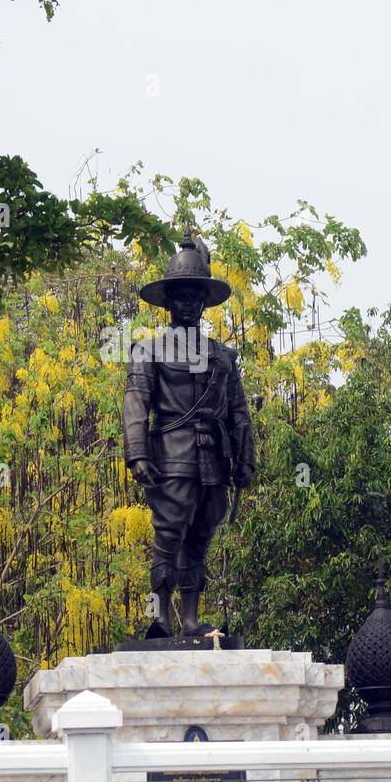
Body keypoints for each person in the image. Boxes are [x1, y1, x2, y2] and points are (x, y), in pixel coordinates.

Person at [122, 232, 256, 638]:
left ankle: (192, 620)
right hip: (171, 455)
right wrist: (137, 453)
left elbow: (238, 410)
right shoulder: (149, 351)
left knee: (200, 535)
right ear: (167, 302)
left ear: (202, 302)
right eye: (178, 295)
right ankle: (160, 618)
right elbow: (135, 403)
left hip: (214, 458)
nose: (185, 303)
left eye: (192, 296)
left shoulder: (223, 356)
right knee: (169, 532)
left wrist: (245, 459)